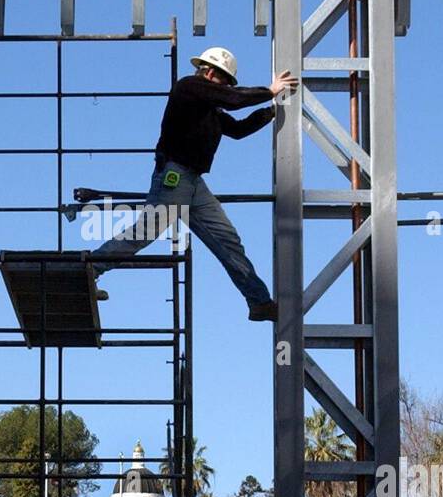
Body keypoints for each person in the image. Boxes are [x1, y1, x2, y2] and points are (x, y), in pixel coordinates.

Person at [89, 46, 298, 321]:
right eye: (223, 82)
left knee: (227, 241)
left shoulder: (208, 109)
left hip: (194, 183)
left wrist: (270, 112)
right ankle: (89, 270)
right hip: (174, 177)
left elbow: (237, 129)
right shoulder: (189, 88)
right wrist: (269, 91)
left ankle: (259, 302)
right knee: (145, 232)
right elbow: (234, 99)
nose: (224, 89)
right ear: (210, 73)